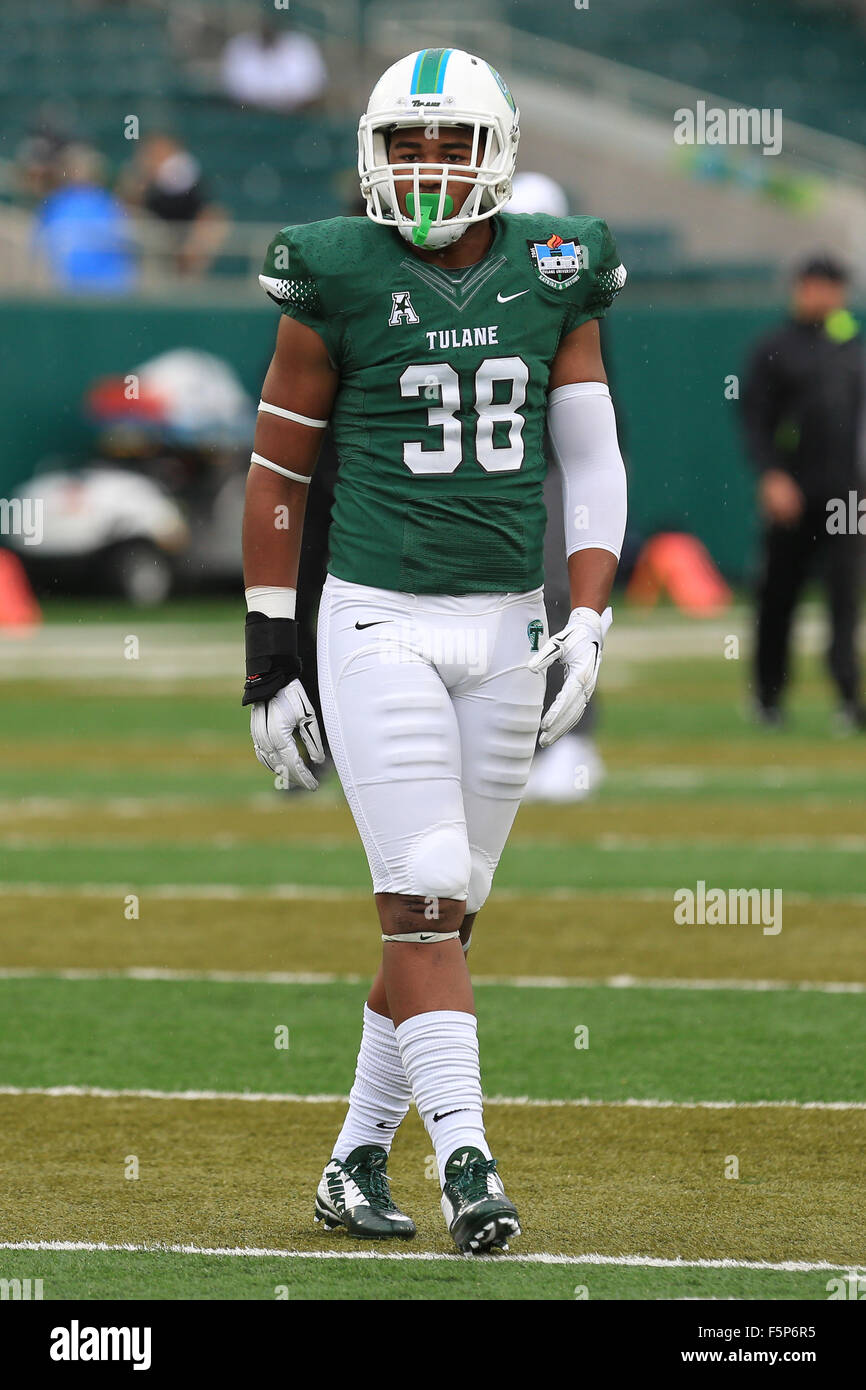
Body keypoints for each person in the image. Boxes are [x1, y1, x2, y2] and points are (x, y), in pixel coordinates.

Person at [241, 48, 627, 1254]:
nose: (418, 165)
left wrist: (592, 611)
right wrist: (269, 652)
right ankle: (467, 1158)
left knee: (448, 915)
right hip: (377, 620)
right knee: (418, 893)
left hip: (506, 624)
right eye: (400, 144)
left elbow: (591, 459)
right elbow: (276, 470)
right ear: (370, 153)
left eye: (443, 141)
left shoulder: (555, 264)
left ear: (495, 152)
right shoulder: (335, 267)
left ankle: (355, 1159)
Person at [742, 255, 865, 729]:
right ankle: (768, 697)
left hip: (847, 496)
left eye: (831, 287)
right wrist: (771, 475)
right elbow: (755, 420)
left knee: (844, 599)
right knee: (778, 596)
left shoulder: (850, 345)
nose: (822, 296)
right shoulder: (776, 348)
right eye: (814, 286)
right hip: (792, 491)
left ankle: (849, 696)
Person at [221, 21, 327, 113]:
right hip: (252, 116)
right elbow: (235, 89)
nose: (268, 30)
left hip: (295, 115)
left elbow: (313, 89)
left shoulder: (300, 46)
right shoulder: (240, 46)